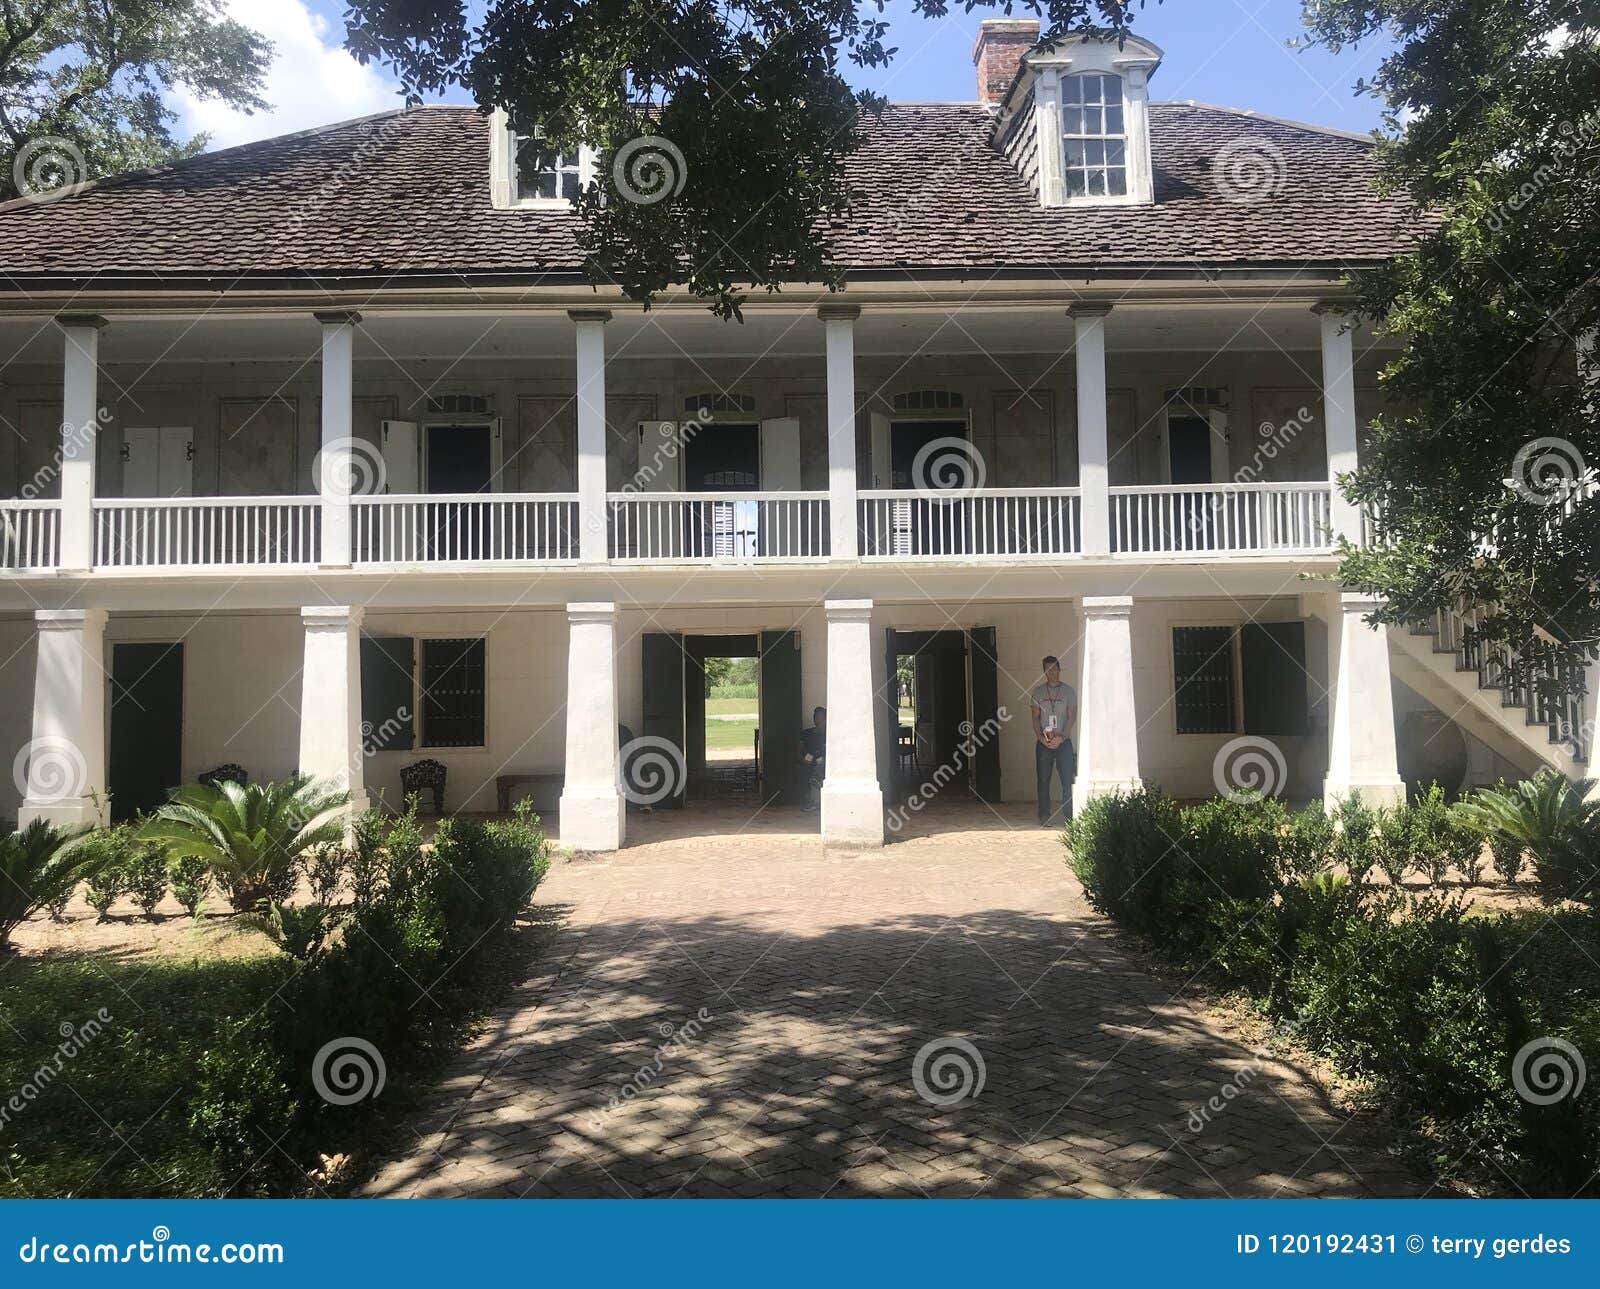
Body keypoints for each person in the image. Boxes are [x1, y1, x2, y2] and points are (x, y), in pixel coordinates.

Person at [1031, 656, 1077, 827]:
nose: (1052, 672)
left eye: (1054, 669)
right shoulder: (1038, 692)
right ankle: (1044, 815)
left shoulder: (1069, 691)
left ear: (1059, 669)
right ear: (1044, 671)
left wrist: (1062, 737)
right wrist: (1041, 738)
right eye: (1048, 669)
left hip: (1063, 742)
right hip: (1044, 744)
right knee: (1043, 780)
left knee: (1067, 779)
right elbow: (1035, 718)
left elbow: (1072, 717)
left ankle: (1070, 816)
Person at [798, 707, 826, 811]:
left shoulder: (830, 734)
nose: (818, 720)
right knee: (801, 772)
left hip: (824, 764)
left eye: (821, 718)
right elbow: (798, 751)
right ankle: (809, 802)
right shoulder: (806, 733)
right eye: (816, 718)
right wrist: (803, 759)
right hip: (808, 763)